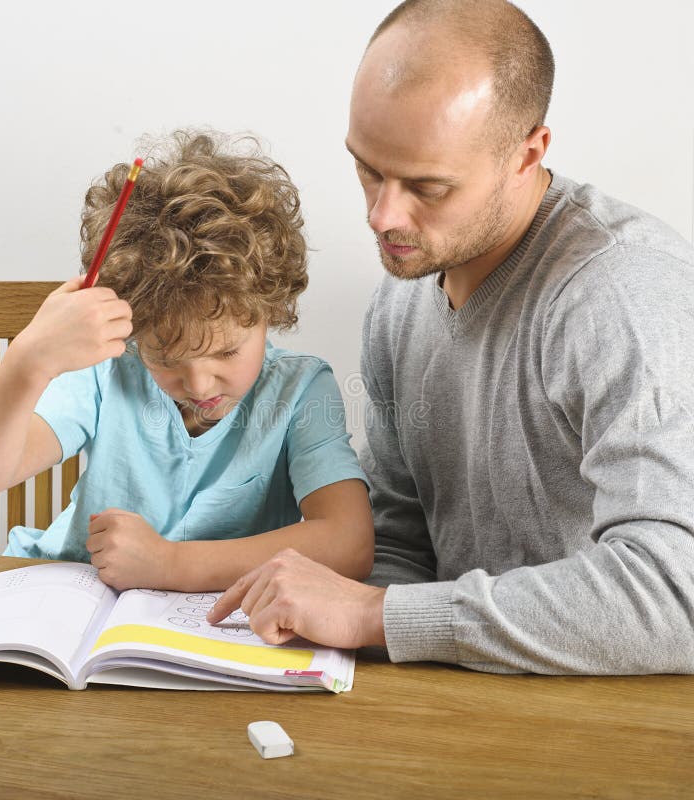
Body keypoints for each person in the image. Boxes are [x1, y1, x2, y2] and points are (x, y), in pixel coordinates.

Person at [208, 0, 694, 674]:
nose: (382, 216)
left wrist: (370, 615)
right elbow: (405, 540)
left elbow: (676, 596)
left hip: (615, 724)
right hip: (460, 701)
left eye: (427, 187)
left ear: (527, 154)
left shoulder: (621, 294)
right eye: (368, 169)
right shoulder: (401, 298)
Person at [0, 130, 373, 592]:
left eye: (226, 351)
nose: (198, 383)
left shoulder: (300, 389)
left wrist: (172, 564)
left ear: (270, 312)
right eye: (165, 356)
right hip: (65, 596)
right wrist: (28, 361)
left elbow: (349, 544)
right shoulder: (106, 369)